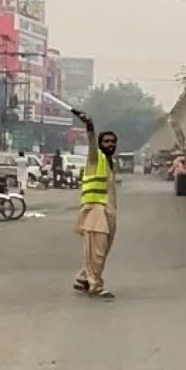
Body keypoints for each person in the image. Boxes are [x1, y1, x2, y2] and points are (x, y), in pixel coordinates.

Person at [70, 108, 119, 299]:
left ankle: (84, 277)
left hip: (108, 211)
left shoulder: (110, 162)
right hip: (95, 211)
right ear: (100, 143)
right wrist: (89, 127)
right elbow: (91, 142)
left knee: (102, 249)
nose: (110, 144)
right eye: (106, 141)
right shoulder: (95, 157)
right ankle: (96, 286)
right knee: (97, 250)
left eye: (113, 142)